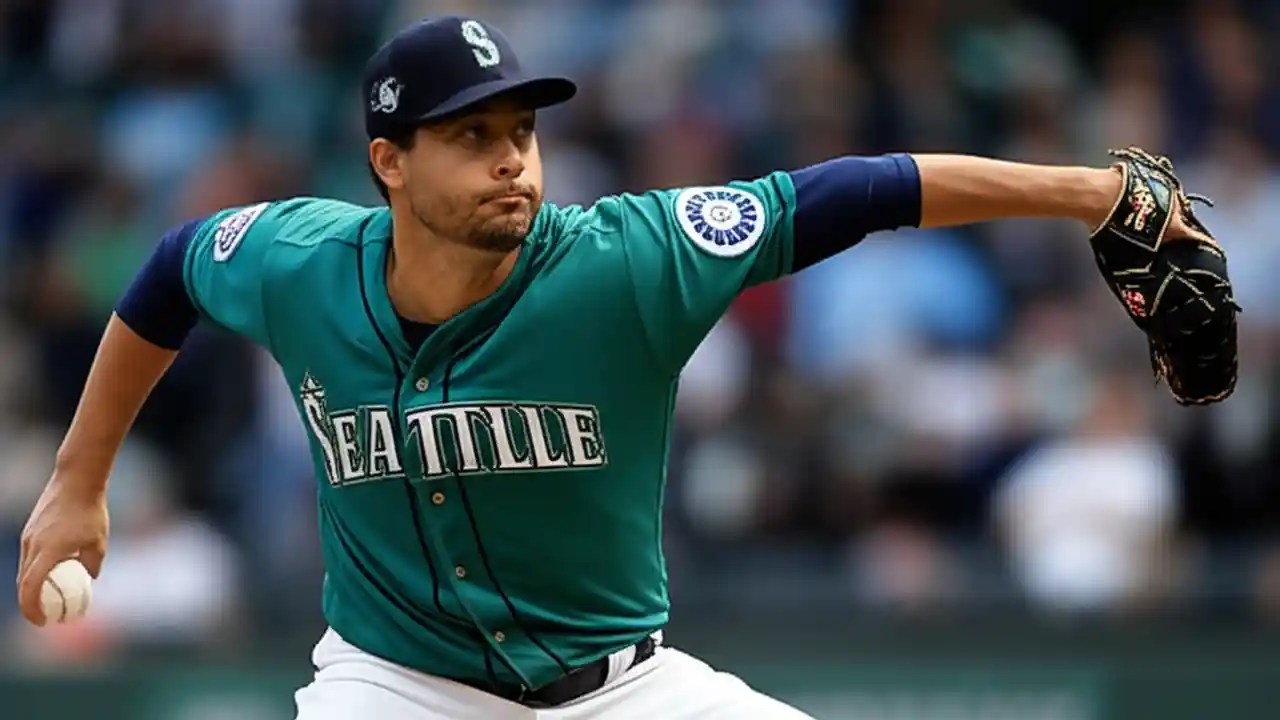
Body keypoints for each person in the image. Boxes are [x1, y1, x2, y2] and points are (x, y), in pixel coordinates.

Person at [15, 15, 1213, 720]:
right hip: (397, 689)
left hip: (623, 693)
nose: (512, 162)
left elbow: (858, 190)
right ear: (388, 162)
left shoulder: (624, 258)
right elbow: (170, 272)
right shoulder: (295, 261)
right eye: (471, 136)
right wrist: (78, 481)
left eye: (521, 132)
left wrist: (1089, 192)